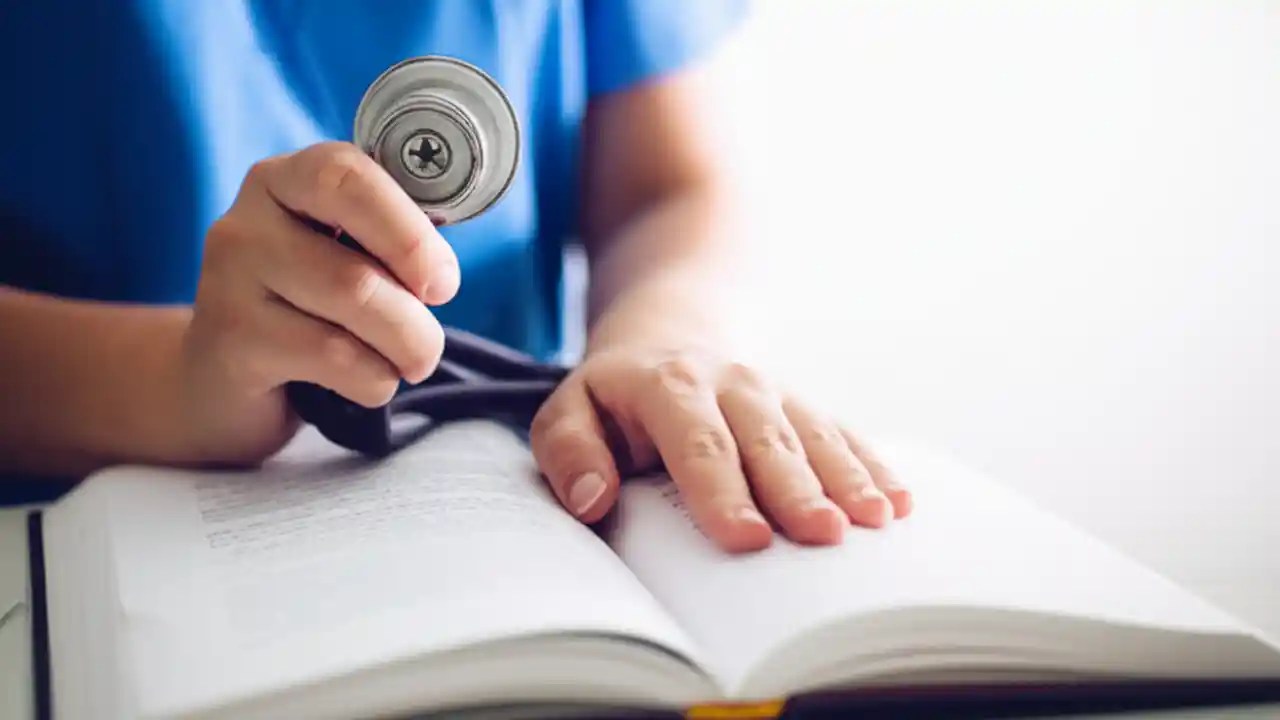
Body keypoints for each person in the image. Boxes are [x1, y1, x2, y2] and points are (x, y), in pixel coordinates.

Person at [0, 0, 911, 552]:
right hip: (80, 531)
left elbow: (664, 190)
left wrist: (668, 337)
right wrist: (171, 381)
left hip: (512, 509)